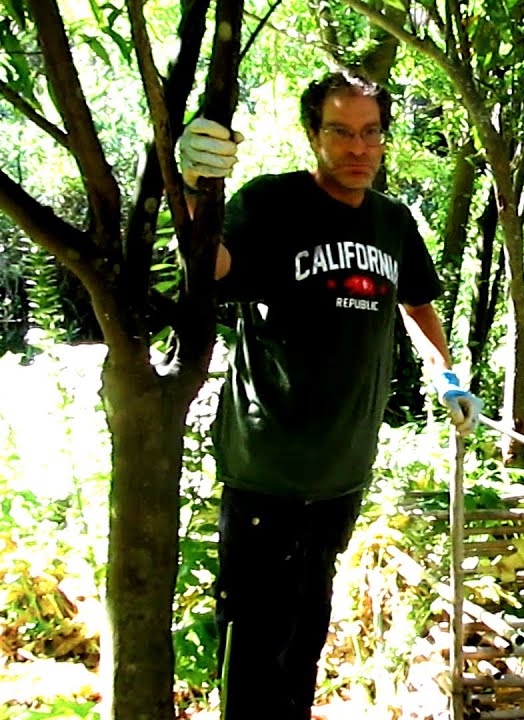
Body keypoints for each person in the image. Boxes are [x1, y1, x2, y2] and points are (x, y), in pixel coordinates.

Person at [177, 71, 482, 718]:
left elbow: (417, 304)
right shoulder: (271, 203)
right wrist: (194, 188)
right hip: (266, 476)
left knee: (304, 645)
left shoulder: (393, 221)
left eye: (371, 133)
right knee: (252, 656)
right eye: (341, 132)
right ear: (312, 134)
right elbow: (211, 267)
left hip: (341, 478)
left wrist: (446, 374)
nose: (358, 148)